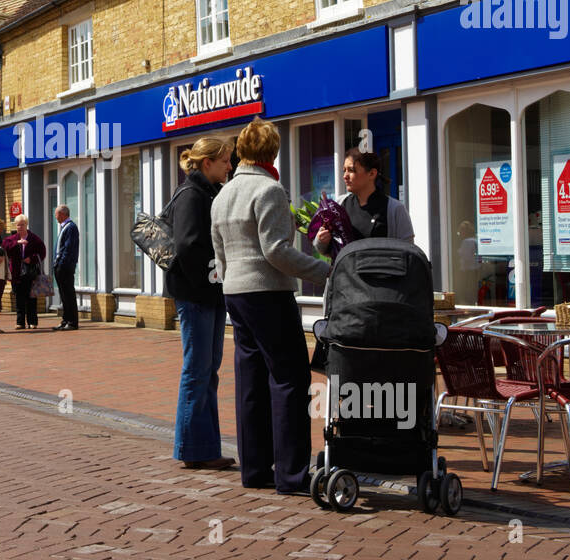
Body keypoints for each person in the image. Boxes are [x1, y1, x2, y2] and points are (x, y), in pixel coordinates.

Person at [211, 117, 331, 494]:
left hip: (236, 294)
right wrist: (325, 269)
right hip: (268, 293)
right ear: (272, 152)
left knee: (250, 382)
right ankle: (292, 474)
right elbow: (277, 252)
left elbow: (220, 253)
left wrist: (233, 281)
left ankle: (255, 470)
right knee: (290, 379)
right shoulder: (269, 190)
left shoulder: (223, 195)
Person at [168, 136, 236, 470]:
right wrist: (213, 278)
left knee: (207, 371)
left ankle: (204, 446)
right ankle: (193, 448)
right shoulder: (192, 196)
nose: (229, 165)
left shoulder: (207, 192)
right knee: (197, 371)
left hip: (207, 296)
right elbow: (189, 247)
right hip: (196, 297)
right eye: (224, 160)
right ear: (206, 163)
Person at [315, 148, 415, 254]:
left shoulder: (394, 209)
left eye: (351, 170)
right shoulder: (340, 204)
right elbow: (324, 249)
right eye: (344, 170)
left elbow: (408, 252)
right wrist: (322, 240)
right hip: (346, 270)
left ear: (372, 174)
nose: (345, 176)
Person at [3, 213, 47, 330]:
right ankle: (20, 322)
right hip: (17, 274)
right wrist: (16, 243)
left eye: (22, 225)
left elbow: (42, 252)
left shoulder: (34, 238)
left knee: (31, 298)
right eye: (17, 225)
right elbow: (4, 248)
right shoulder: (12, 239)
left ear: (26, 225)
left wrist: (30, 259)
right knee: (19, 298)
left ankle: (33, 322)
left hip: (31, 273)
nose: (20, 227)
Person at [53, 205, 79, 331]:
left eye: (56, 214)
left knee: (69, 294)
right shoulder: (64, 227)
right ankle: (65, 320)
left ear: (63, 214)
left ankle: (72, 322)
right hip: (60, 265)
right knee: (63, 295)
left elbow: (68, 248)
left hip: (66, 267)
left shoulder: (71, 227)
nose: (55, 216)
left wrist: (61, 263)